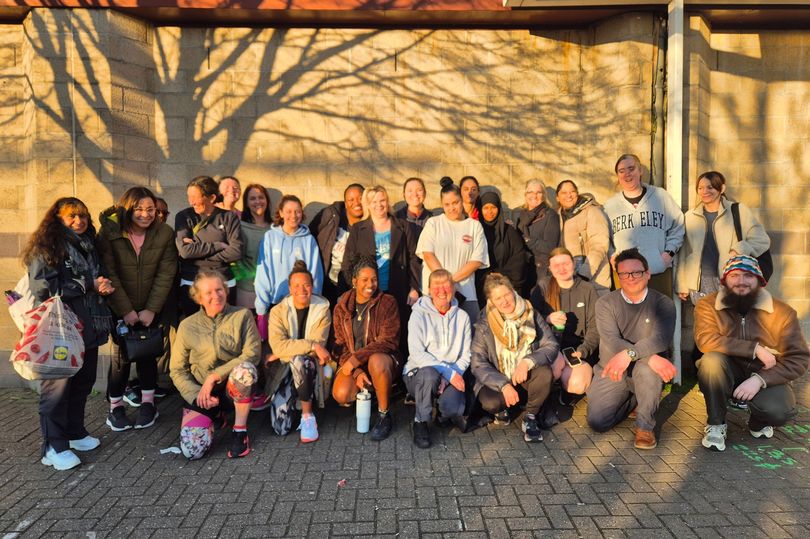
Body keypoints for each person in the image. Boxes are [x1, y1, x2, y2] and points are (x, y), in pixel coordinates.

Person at [23, 197, 115, 470]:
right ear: (57, 218)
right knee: (57, 389)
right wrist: (89, 284)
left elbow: (96, 276)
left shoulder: (89, 244)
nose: (79, 221)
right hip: (61, 330)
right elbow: (43, 288)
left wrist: (104, 283)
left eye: (83, 216)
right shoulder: (47, 246)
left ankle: (74, 433)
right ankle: (53, 445)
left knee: (83, 383)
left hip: (90, 326)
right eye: (71, 216)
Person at [694, 255, 809, 452]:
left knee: (779, 412)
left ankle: (758, 421)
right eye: (735, 275)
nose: (741, 281)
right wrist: (755, 349)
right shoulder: (708, 305)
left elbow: (799, 358)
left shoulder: (782, 311)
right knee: (710, 361)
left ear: (760, 281)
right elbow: (705, 340)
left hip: (765, 372)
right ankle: (716, 424)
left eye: (748, 275)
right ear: (724, 280)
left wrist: (760, 380)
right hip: (725, 368)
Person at [97, 187, 178, 431]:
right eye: (139, 209)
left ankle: (148, 404)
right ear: (128, 208)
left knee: (148, 353)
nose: (145, 214)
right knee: (120, 357)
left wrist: (151, 309)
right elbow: (109, 272)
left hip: (150, 307)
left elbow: (166, 273)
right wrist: (126, 310)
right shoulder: (110, 233)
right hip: (119, 305)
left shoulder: (164, 233)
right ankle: (116, 408)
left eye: (150, 209)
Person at [586, 248, 677, 449]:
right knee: (598, 422)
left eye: (636, 272)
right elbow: (611, 339)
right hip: (612, 367)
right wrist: (648, 356)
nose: (631, 277)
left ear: (647, 273)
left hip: (644, 370)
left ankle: (645, 426)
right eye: (624, 274)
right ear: (618, 276)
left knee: (648, 369)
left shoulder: (663, 303)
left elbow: (660, 340)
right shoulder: (605, 303)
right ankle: (637, 400)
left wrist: (632, 355)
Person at [169, 270, 261, 459]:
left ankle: (239, 431)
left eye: (219, 289)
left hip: (232, 389)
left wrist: (214, 376)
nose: (215, 296)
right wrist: (196, 395)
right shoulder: (187, 326)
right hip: (202, 392)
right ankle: (215, 415)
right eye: (208, 293)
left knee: (246, 371)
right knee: (192, 451)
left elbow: (252, 353)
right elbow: (177, 370)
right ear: (198, 298)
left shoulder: (242, 315)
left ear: (226, 291)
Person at [470, 273, 558, 443]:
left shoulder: (530, 312)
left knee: (545, 372)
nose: (504, 301)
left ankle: (530, 416)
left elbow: (551, 345)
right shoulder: (484, 322)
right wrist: (503, 385)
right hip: (499, 375)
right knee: (490, 402)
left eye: (506, 295)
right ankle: (504, 409)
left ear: (513, 291)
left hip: (524, 375)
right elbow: (478, 363)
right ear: (491, 301)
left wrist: (527, 361)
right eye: (498, 298)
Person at [331, 256, 401, 441]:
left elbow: (388, 341)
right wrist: (357, 371)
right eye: (365, 280)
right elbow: (340, 345)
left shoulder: (388, 303)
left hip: (384, 360)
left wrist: (356, 360)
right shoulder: (341, 307)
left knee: (377, 360)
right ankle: (371, 392)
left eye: (374, 279)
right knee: (341, 394)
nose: (370, 284)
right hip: (356, 365)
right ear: (354, 282)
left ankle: (384, 414)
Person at [676, 171, 770, 305]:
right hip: (699, 283)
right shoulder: (690, 216)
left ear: (722, 188)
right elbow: (684, 251)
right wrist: (682, 283)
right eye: (700, 188)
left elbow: (761, 239)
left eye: (710, 187)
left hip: (730, 280)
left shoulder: (738, 210)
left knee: (730, 323)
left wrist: (738, 249)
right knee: (705, 323)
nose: (704, 191)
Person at [266, 261, 333, 443]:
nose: (302, 290)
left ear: (312, 286)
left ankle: (307, 416)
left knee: (301, 361)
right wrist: (312, 345)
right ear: (290, 288)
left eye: (306, 285)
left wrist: (308, 348)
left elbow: (319, 347)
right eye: (296, 285)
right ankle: (292, 400)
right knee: (280, 428)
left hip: (308, 368)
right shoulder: (277, 311)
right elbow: (278, 346)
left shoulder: (323, 309)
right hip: (284, 370)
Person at [404, 269, 471, 448]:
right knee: (429, 375)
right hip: (420, 372)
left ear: (454, 288)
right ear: (428, 290)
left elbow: (466, 355)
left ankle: (441, 413)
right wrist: (446, 372)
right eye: (436, 286)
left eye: (446, 285)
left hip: (450, 374)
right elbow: (417, 353)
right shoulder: (418, 314)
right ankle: (420, 421)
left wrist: (452, 374)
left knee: (453, 407)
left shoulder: (462, 317)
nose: (442, 291)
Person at [604, 154, 685, 297]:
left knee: (660, 316)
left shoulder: (660, 196)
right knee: (628, 317)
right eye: (621, 171)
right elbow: (604, 237)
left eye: (631, 168)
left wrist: (669, 254)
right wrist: (613, 257)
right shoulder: (610, 206)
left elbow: (678, 224)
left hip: (657, 271)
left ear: (640, 171)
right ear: (617, 176)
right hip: (625, 275)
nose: (627, 174)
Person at [416, 178, 489, 322]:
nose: (452, 208)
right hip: (435, 295)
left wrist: (450, 281)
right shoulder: (433, 223)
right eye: (447, 204)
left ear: (462, 200)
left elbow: (476, 261)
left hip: (465, 294)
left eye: (455, 203)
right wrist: (444, 284)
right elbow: (428, 255)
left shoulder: (474, 226)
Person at [341, 185, 421, 311]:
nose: (379, 205)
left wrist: (414, 288)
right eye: (374, 201)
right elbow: (348, 263)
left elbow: (413, 259)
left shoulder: (404, 227)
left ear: (387, 202)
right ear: (367, 204)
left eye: (382, 200)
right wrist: (355, 289)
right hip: (367, 293)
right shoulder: (358, 229)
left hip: (398, 292)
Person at [253, 194, 324, 338]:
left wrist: (314, 302)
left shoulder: (308, 240)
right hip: (276, 304)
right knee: (277, 349)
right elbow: (263, 272)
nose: (294, 215)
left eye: (297, 211)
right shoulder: (270, 237)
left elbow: (315, 274)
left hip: (300, 303)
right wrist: (262, 306)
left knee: (299, 348)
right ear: (281, 213)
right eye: (289, 211)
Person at [536, 247, 599, 401]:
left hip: (577, 349)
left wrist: (583, 351)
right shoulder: (542, 287)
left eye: (565, 263)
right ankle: (543, 398)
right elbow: (529, 319)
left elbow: (595, 327)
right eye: (556, 265)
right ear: (550, 268)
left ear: (574, 263)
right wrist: (548, 319)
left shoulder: (587, 289)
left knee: (577, 384)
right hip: (550, 346)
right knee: (550, 371)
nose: (562, 269)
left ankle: (565, 390)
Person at [175, 175, 242, 317]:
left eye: (195, 197)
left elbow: (236, 252)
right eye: (189, 196)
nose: (191, 201)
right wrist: (218, 245)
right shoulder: (184, 217)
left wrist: (197, 252)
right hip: (192, 281)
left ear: (211, 198)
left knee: (226, 327)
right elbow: (185, 252)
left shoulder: (229, 217)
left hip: (223, 282)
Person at [309, 183, 365, 305]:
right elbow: (309, 235)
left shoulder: (369, 227)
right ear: (345, 203)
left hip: (352, 287)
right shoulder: (331, 216)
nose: (356, 203)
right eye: (351, 199)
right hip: (326, 283)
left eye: (360, 198)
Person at [475, 191, 532, 306]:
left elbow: (519, 258)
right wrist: (487, 276)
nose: (490, 212)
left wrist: (501, 275)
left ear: (499, 209)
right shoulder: (476, 231)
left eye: (493, 207)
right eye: (486, 208)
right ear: (480, 209)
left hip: (508, 286)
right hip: (481, 288)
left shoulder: (509, 232)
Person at [555, 180, 612, 295]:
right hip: (571, 283)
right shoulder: (557, 217)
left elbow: (600, 245)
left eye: (572, 191)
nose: (569, 195)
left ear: (577, 193)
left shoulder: (592, 212)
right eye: (564, 193)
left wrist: (584, 273)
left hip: (594, 283)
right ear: (557, 197)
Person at [234, 184, 273, 311]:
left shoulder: (276, 228)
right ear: (246, 203)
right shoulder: (239, 227)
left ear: (267, 200)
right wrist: (249, 278)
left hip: (273, 290)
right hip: (247, 290)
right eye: (252, 198)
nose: (258, 201)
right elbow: (234, 261)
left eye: (261, 197)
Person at [515, 180, 560, 284]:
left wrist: (527, 240)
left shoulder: (550, 215)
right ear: (525, 195)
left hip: (542, 271)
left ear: (543, 195)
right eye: (530, 192)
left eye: (538, 192)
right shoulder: (521, 216)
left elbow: (550, 247)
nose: (534, 196)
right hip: (525, 269)